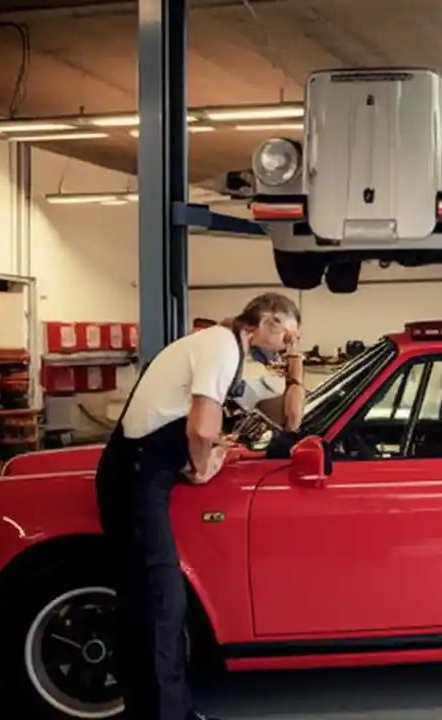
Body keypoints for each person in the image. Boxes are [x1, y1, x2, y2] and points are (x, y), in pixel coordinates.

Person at [94, 293, 303, 720]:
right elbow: (203, 425)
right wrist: (202, 464)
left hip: (138, 469)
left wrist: (295, 376)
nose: (285, 347)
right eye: (287, 335)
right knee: (161, 602)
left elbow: (290, 422)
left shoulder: (230, 350)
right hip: (138, 475)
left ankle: (169, 710)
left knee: (150, 602)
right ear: (267, 321)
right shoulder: (221, 346)